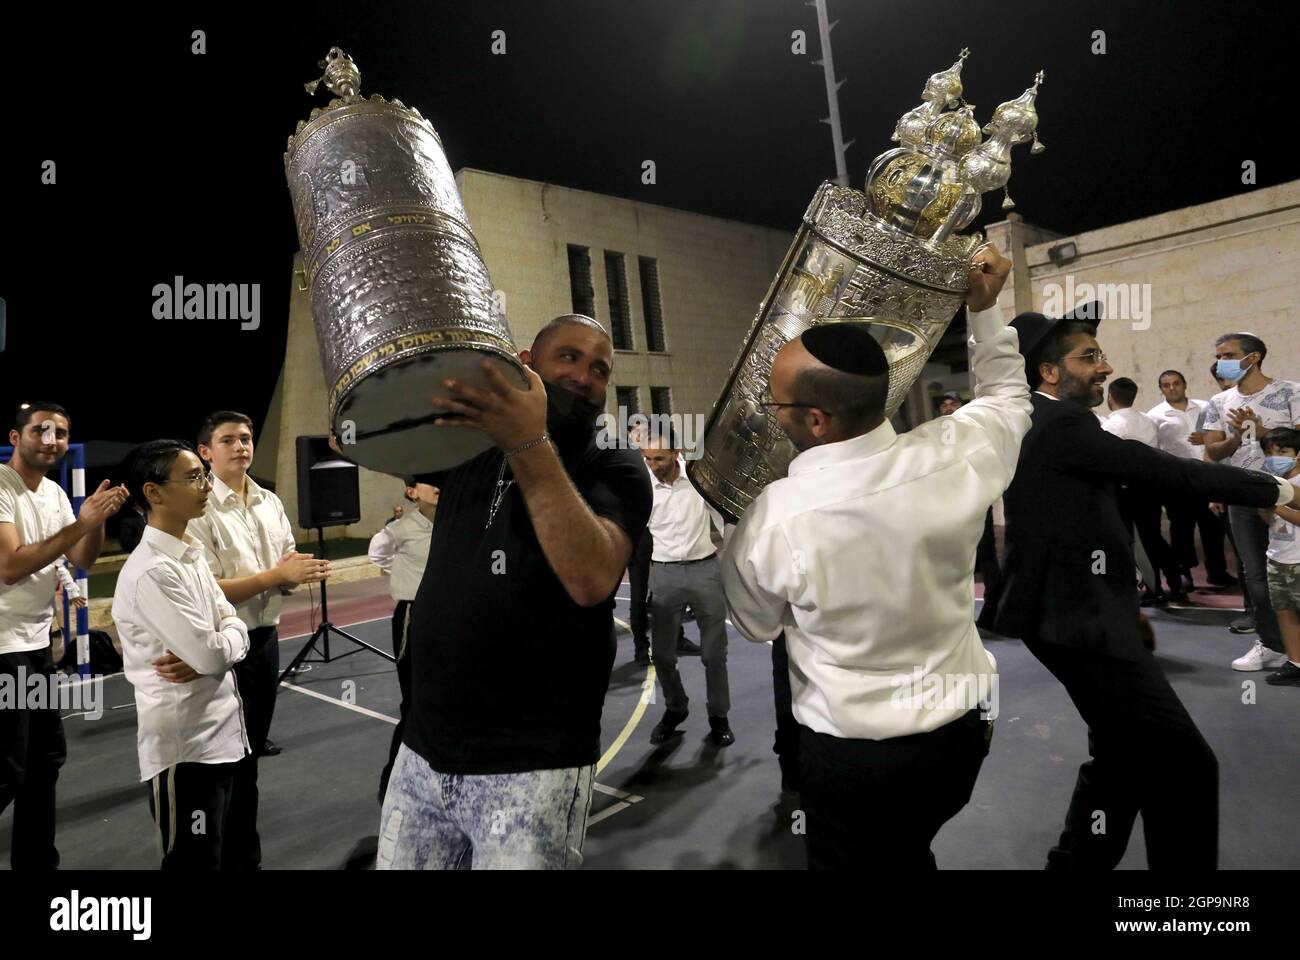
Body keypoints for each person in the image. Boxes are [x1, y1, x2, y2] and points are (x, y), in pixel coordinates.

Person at [722, 245, 1021, 868]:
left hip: (855, 757)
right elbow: (1007, 399)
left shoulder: (774, 517)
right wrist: (985, 309)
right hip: (963, 731)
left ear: (815, 421)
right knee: (911, 849)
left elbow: (756, 624)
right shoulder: (955, 452)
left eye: (775, 404)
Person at [990, 306, 1300, 870]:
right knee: (1184, 766)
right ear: (1049, 372)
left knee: (1121, 757)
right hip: (1077, 621)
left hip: (1074, 612)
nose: (1105, 367)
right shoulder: (1059, 424)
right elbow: (1166, 469)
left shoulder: (1040, 418)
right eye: (1089, 357)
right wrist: (1278, 489)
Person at [376, 313, 652, 870]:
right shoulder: (470, 448)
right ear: (526, 364)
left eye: (600, 369)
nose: (584, 377)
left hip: (531, 767)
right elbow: (378, 435)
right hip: (423, 751)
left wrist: (529, 439)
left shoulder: (613, 461)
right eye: (568, 357)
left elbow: (590, 578)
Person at [188, 410, 331, 869]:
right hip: (221, 648)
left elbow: (285, 562)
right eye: (228, 440)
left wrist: (296, 574)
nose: (241, 446)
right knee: (219, 766)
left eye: (246, 438)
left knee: (248, 761)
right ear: (206, 452)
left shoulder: (269, 500)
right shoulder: (197, 507)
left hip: (264, 640)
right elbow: (207, 590)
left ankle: (244, 859)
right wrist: (276, 576)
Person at [112, 440, 250, 870]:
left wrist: (228, 637)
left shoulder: (189, 553)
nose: (206, 485)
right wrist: (227, 639)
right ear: (153, 492)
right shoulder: (153, 571)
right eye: (193, 477)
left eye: (203, 475)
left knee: (219, 854)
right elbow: (212, 656)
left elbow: (228, 627)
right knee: (192, 862)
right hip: (186, 751)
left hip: (220, 737)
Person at [0, 402, 126, 869]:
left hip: (35, 646)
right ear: (16, 438)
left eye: (60, 433)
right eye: (40, 430)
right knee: (7, 769)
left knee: (44, 760)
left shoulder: (53, 493)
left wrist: (96, 520)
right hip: (3, 649)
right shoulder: (1, 487)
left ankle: (36, 863)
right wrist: (81, 523)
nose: (51, 440)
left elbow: (82, 559)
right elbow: (11, 566)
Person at [1202, 333, 1300, 670]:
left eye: (1228, 355)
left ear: (1254, 357)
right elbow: (1213, 451)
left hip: (1289, 494)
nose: (1221, 361)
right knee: (1256, 574)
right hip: (1242, 495)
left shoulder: (1291, 392)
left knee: (1293, 570)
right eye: (1219, 356)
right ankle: (1272, 644)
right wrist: (1234, 438)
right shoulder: (1218, 402)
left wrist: (1262, 434)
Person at [640, 431, 732, 747]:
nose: (653, 465)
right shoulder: (643, 484)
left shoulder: (698, 477)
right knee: (662, 655)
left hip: (705, 571)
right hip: (664, 574)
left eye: (659, 458)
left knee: (714, 654)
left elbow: (724, 517)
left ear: (675, 452)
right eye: (648, 459)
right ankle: (676, 707)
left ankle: (719, 717)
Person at [368, 478, 438, 801]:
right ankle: (392, 782)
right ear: (411, 492)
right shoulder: (401, 529)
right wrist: (401, 573)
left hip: (449, 613)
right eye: (429, 481)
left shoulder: (456, 524)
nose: (438, 485)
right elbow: (378, 555)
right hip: (413, 617)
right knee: (414, 702)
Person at [1147, 369, 1234, 589]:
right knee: (1182, 530)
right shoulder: (1154, 415)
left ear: (1184, 384)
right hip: (1178, 480)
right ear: (1161, 389)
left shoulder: (1205, 407)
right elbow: (1155, 449)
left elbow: (1219, 434)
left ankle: (1217, 572)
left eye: (1176, 383)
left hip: (1207, 475)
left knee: (1213, 528)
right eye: (1166, 385)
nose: (1172, 388)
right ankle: (1184, 574)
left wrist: (1206, 438)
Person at [1101, 377, 1183, 603]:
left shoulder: (1110, 426)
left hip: (1129, 490)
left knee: (1139, 542)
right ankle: (1176, 581)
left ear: (1110, 397)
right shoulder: (1147, 420)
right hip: (1152, 486)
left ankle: (1154, 588)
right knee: (1153, 536)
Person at [1260, 428, 1300, 686]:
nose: (1275, 457)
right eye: (1269, 452)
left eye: (1283, 451)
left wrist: (1276, 505)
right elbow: (1269, 521)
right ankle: (1296, 663)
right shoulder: (1271, 483)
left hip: (1299, 560)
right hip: (1276, 558)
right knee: (1284, 611)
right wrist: (1264, 508)